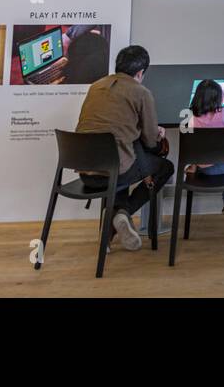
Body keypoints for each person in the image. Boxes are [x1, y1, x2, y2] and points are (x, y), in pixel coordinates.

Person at [75, 45, 174, 251]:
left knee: (124, 157)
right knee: (163, 167)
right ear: (140, 73)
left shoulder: (96, 86)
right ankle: (121, 213)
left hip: (85, 171)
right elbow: (150, 142)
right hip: (114, 172)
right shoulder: (141, 92)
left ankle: (109, 234)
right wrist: (158, 134)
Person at [187, 79, 224, 214]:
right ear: (218, 98)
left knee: (207, 154)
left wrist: (193, 166)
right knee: (223, 156)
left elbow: (193, 149)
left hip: (204, 171)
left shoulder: (192, 119)